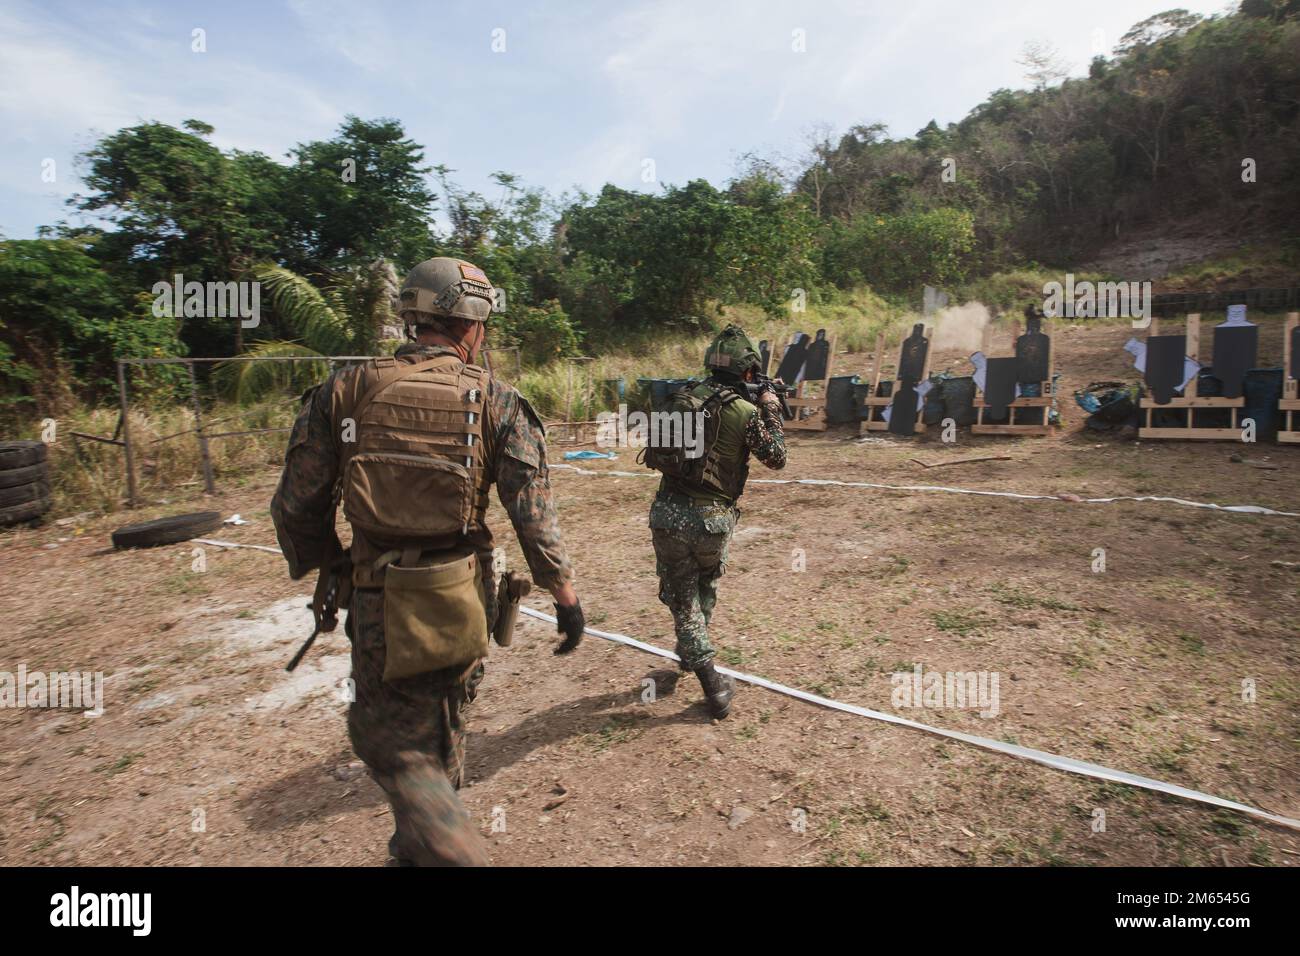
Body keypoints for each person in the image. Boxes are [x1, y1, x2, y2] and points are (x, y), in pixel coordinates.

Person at [270, 256, 585, 866]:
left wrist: (331, 567)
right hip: (458, 602)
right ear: (472, 325)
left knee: (394, 741)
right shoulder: (498, 402)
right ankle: (422, 850)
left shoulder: (344, 391)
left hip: (375, 601)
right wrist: (565, 597)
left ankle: (444, 849)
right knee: (440, 734)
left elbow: (294, 506)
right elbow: (533, 515)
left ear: (414, 317)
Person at [644, 324, 786, 718]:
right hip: (712, 522)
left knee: (686, 591)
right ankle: (713, 685)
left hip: (667, 515)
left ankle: (691, 652)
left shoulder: (684, 397)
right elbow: (776, 456)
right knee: (694, 593)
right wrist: (771, 406)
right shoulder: (744, 412)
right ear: (746, 372)